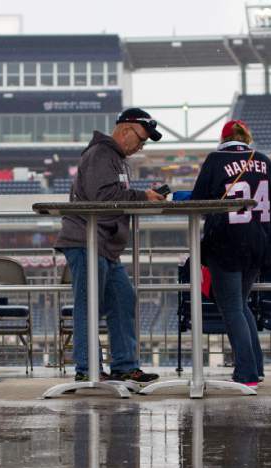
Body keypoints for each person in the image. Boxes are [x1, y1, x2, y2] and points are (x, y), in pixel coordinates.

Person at [55, 108, 164, 383]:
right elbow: (103, 198)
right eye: (140, 139)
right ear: (126, 129)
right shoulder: (101, 154)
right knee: (88, 305)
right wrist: (142, 196)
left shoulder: (116, 159)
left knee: (123, 298)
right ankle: (87, 369)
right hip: (86, 241)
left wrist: (140, 196)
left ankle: (125, 366)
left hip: (105, 245)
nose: (140, 146)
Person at [191, 119, 271, 389]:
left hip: (227, 242)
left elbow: (198, 200)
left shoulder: (216, 159)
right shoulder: (264, 160)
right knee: (240, 304)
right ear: (246, 138)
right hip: (259, 241)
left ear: (223, 138)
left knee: (231, 307)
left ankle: (247, 373)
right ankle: (256, 367)